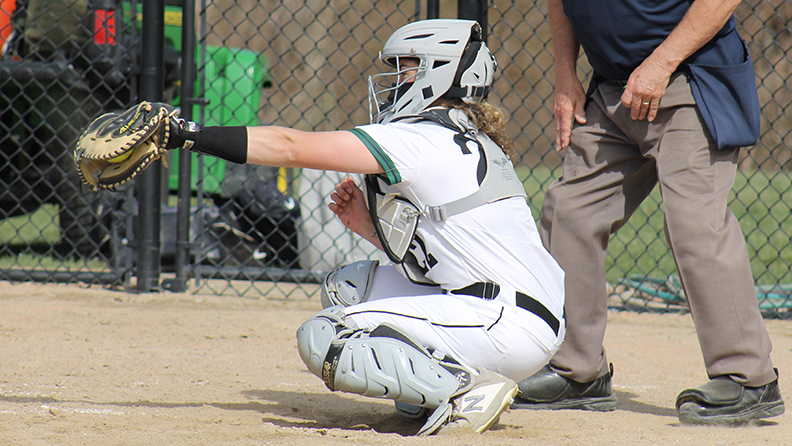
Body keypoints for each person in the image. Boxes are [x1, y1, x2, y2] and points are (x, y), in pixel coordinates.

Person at [138, 19, 566, 435]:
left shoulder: (421, 139)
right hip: (512, 312)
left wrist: (186, 134)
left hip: (503, 322)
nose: (396, 79)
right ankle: (436, 391)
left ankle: (467, 390)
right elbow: (455, 255)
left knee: (326, 337)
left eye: (407, 67)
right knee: (348, 288)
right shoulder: (466, 135)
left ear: (440, 73)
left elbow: (290, 147)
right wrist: (371, 229)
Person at [511, 0, 785, 425]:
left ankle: (748, 377)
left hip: (690, 79)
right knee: (569, 212)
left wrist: (661, 63)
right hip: (613, 89)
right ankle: (577, 370)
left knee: (693, 224)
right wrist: (566, 73)